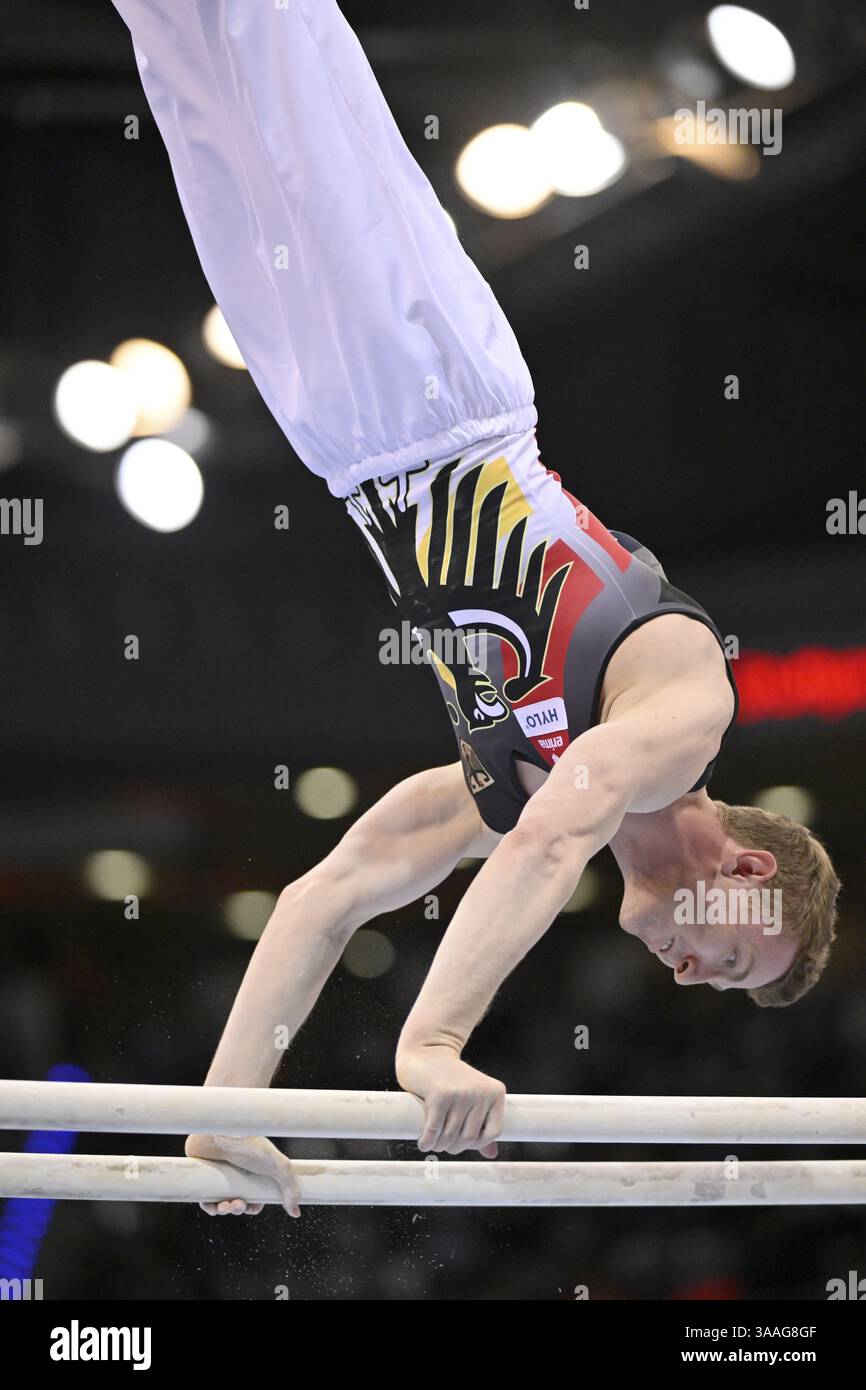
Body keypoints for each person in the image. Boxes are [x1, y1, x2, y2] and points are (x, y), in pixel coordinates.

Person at [110, 0, 840, 1217]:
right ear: (748, 873)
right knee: (278, 61)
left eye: (715, 981)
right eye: (733, 952)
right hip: (443, 390)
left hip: (344, 448)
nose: (693, 976)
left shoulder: (505, 791)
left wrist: (224, 1118)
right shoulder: (684, 716)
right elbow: (562, 829)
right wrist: (431, 1042)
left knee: (192, 85)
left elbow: (326, 894)